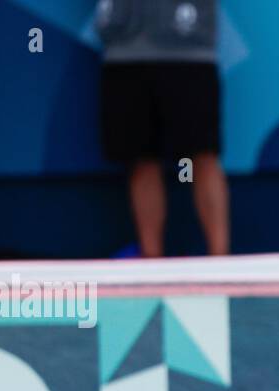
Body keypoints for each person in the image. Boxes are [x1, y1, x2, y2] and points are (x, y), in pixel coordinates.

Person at [96, 0, 228, 256]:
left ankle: (221, 264)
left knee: (204, 153)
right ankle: (151, 265)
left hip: (190, 43)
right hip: (123, 46)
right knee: (142, 157)